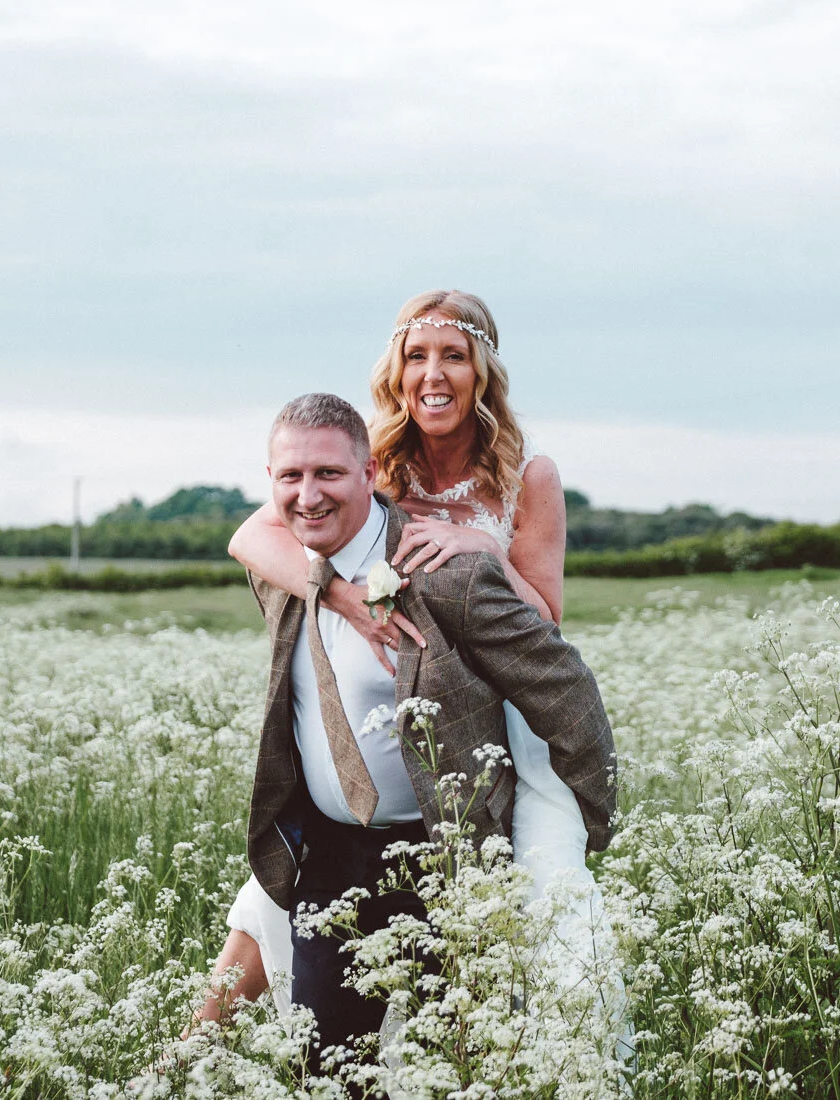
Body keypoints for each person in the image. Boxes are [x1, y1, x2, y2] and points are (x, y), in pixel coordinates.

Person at [196, 291, 622, 1032]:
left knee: (542, 924)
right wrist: (339, 596)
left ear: (482, 370)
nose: (434, 374)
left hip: (502, 719)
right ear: (396, 372)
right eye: (416, 356)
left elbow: (544, 621)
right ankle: (187, 1053)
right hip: (398, 703)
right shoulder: (374, 462)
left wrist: (484, 550)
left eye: (453, 355)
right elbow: (254, 537)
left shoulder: (530, 476)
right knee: (279, 885)